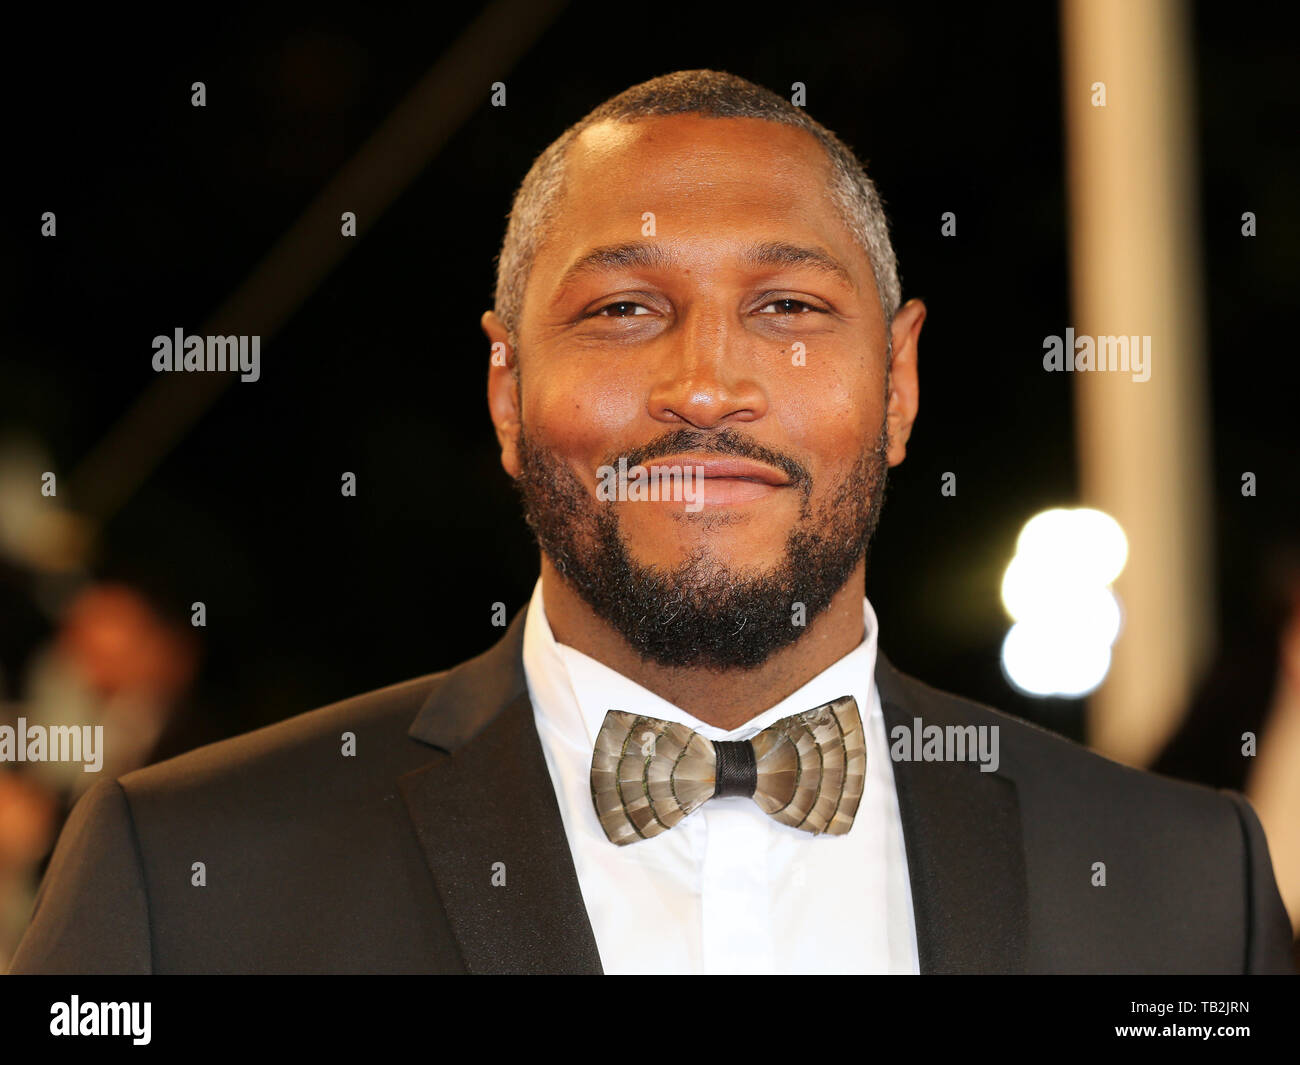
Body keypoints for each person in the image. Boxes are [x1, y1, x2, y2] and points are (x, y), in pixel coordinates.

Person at [8, 69, 1293, 974]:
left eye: (788, 307)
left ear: (897, 384)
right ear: (507, 393)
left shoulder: (1188, 884)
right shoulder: (187, 874)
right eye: (624, 310)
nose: (705, 385)